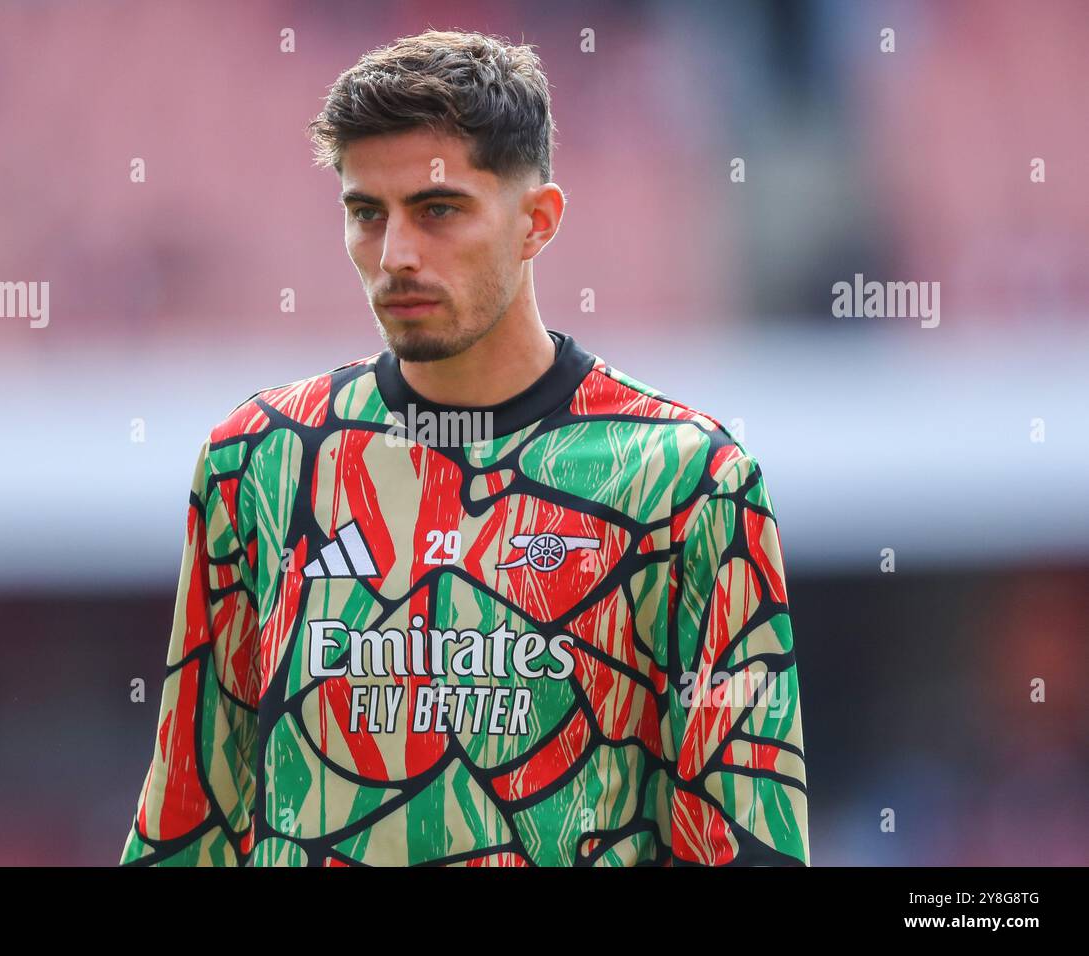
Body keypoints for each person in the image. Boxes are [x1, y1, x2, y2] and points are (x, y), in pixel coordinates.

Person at [120, 29, 808, 867]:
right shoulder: (257, 461)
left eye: (438, 210)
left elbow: (744, 841)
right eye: (367, 213)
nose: (396, 255)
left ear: (536, 223)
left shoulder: (689, 481)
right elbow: (189, 821)